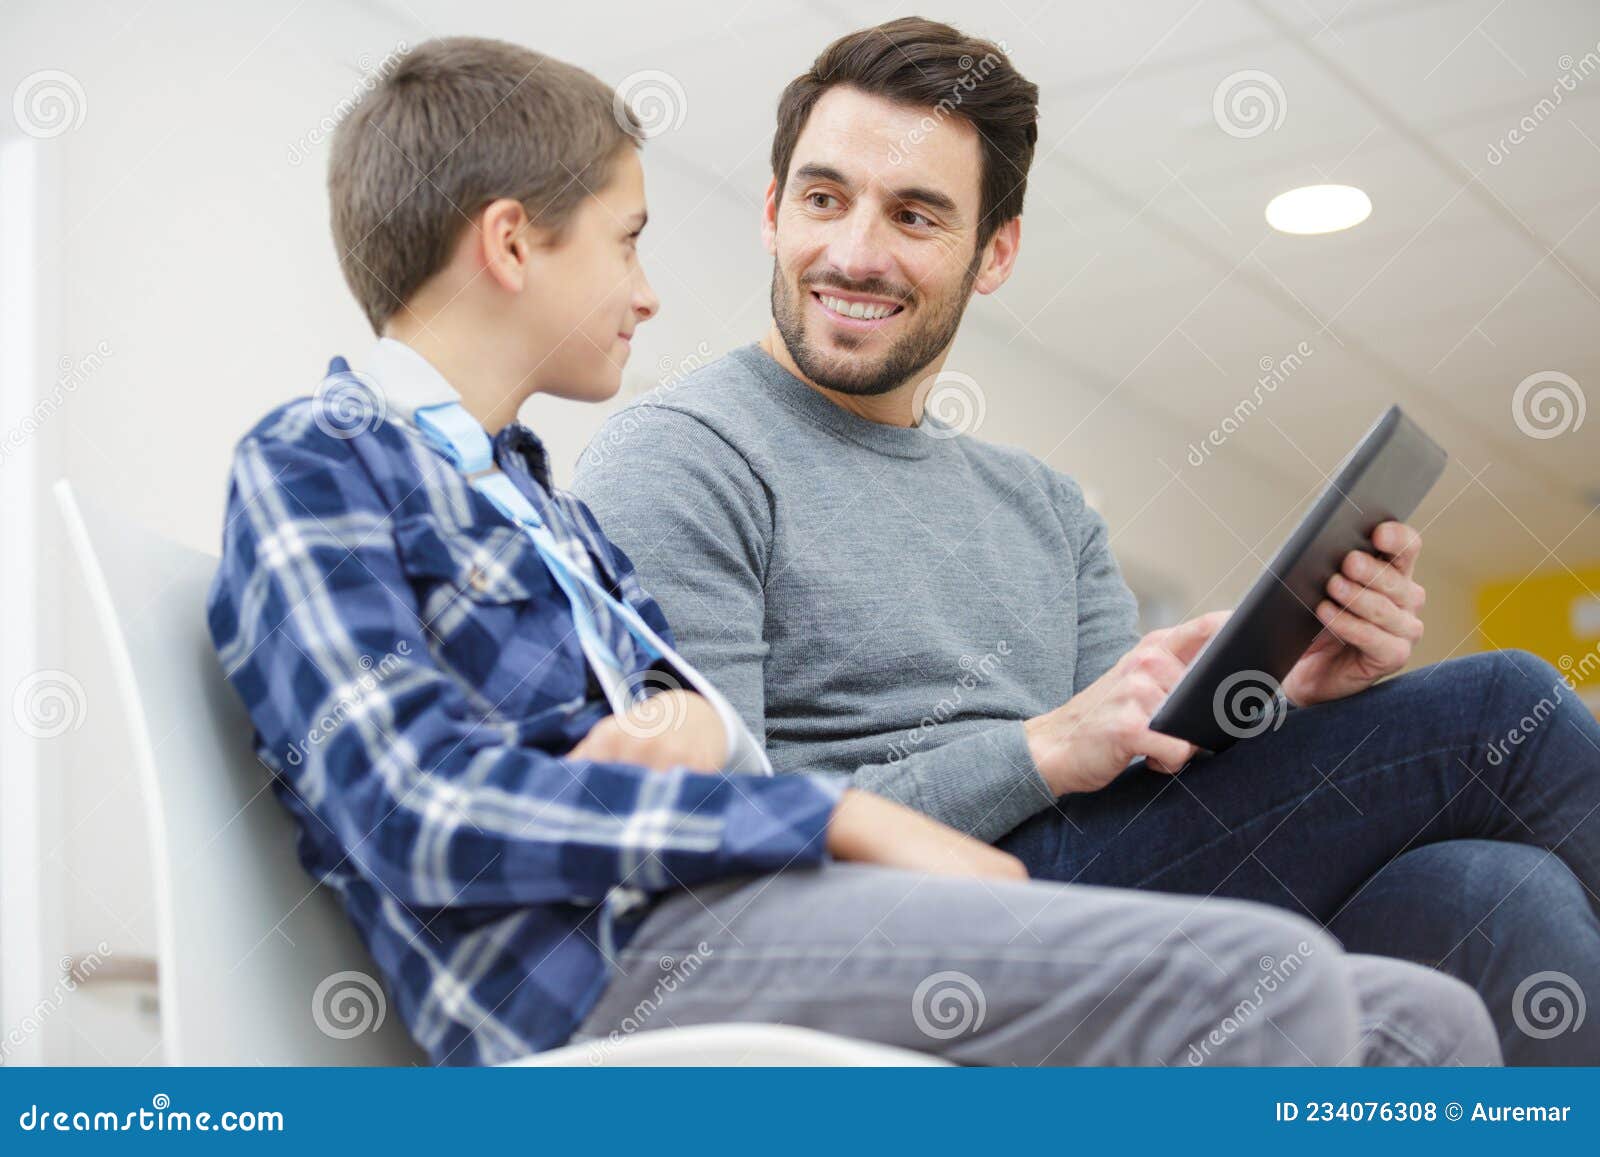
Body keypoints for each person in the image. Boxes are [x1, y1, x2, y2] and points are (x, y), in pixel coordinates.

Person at [207, 35, 1498, 1068]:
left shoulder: (539, 505)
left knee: (1424, 1021)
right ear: (509, 243)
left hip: (731, 918)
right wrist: (836, 809)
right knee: (1273, 969)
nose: (649, 290)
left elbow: (691, 733)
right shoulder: (319, 455)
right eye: (628, 239)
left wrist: (686, 730)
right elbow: (420, 808)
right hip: (619, 972)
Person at [572, 17, 1599, 1065]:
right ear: (771, 210)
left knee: (1492, 891)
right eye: (823, 199)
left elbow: (1147, 782)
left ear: (995, 252)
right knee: (1500, 705)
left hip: (1083, 891)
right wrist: (1035, 752)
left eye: (915, 215)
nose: (855, 253)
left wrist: (1285, 703)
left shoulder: (1046, 509)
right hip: (878, 928)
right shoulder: (682, 455)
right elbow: (705, 837)